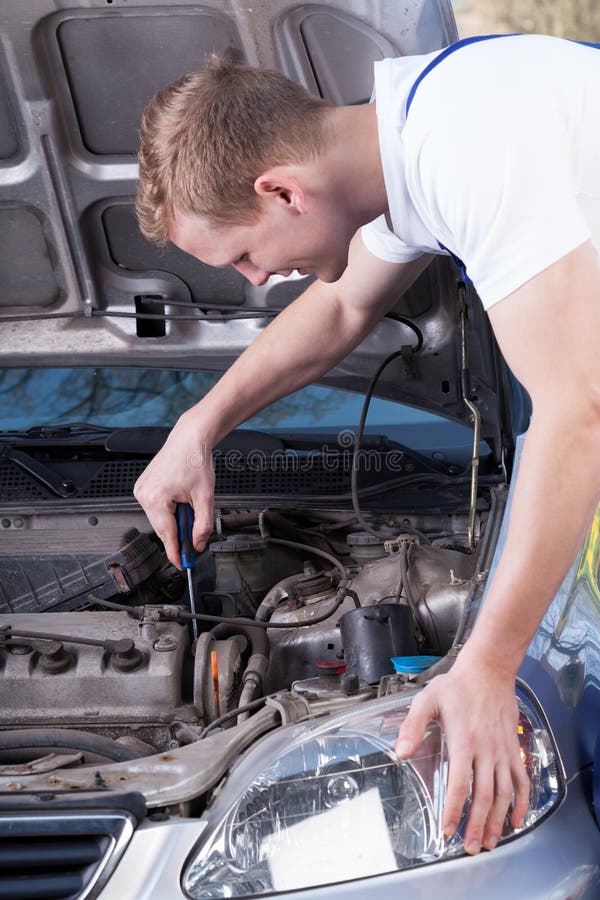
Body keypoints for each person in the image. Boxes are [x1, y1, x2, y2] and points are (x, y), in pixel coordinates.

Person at [133, 34, 600, 856]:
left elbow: (577, 410)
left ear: (283, 191)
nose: (253, 279)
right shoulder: (410, 132)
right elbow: (343, 308)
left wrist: (487, 665)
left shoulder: (471, 144)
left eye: (243, 254)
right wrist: (197, 425)